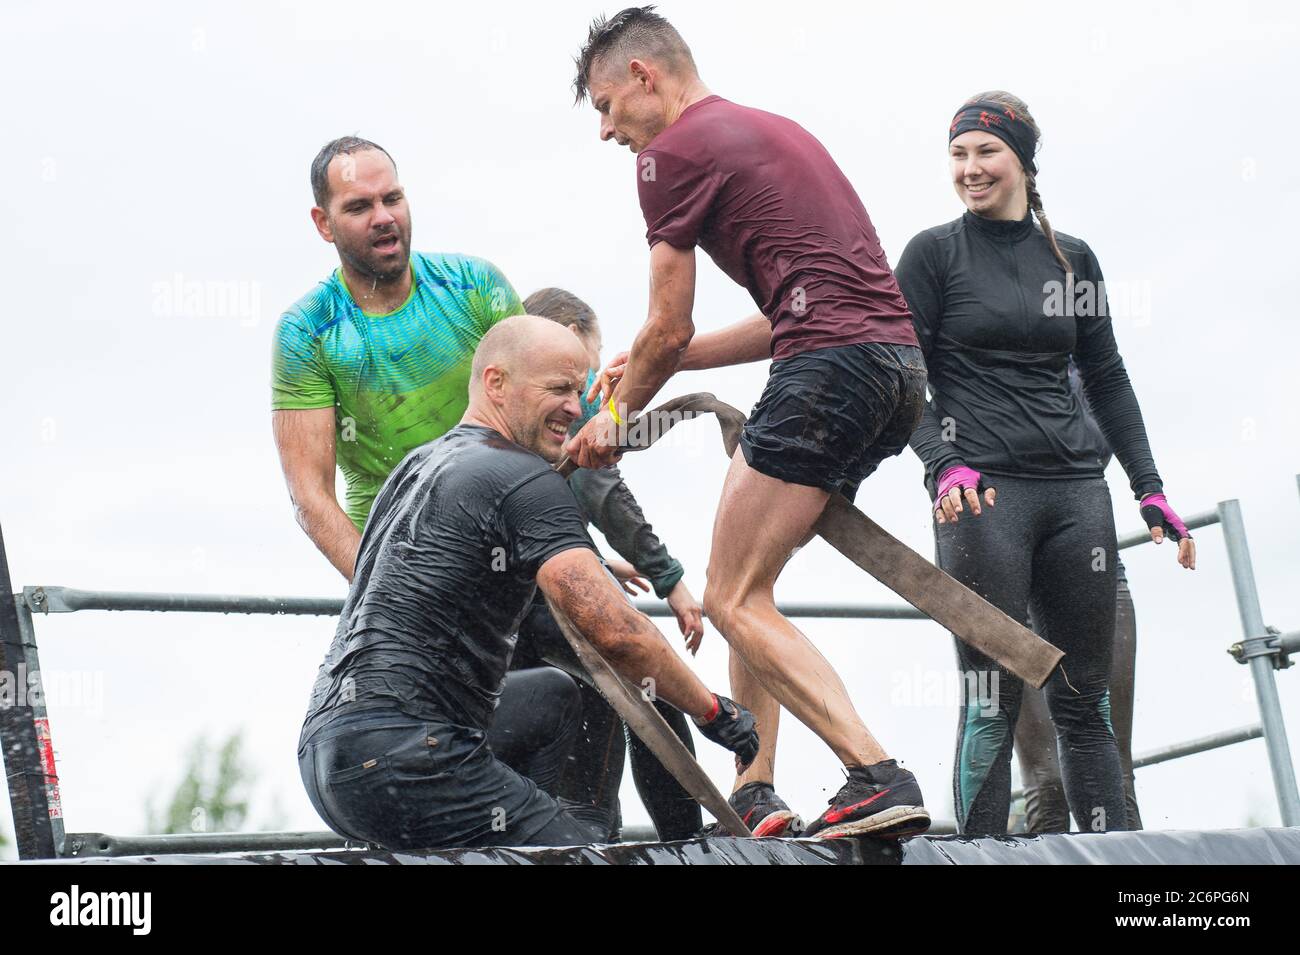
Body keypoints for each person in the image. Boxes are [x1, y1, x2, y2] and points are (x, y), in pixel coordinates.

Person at [565, 6, 930, 839]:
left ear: (643, 77)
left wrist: (615, 420)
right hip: (895, 370)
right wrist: (674, 363)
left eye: (604, 106)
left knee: (727, 595)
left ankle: (874, 773)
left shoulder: (669, 156)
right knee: (749, 583)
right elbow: (778, 315)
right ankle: (757, 786)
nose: (606, 131)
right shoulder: (773, 131)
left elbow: (667, 325)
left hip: (827, 368)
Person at [297, 315, 759, 850]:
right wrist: (711, 710)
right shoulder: (526, 480)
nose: (574, 407)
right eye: (559, 389)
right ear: (495, 382)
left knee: (557, 692)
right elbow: (618, 634)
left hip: (327, 757)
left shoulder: (415, 468)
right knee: (590, 836)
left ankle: (562, 836)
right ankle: (574, 847)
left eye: (582, 391)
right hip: (411, 760)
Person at [894, 91, 1195, 836]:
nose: (970, 168)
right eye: (958, 155)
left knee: (1085, 699)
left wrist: (1149, 487)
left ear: (1024, 161)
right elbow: (900, 376)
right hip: (983, 496)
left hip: (1076, 495)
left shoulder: (1073, 258)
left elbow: (1108, 377)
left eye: (986, 152)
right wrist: (942, 464)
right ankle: (981, 856)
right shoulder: (933, 254)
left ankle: (1110, 863)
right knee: (991, 697)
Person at [271, 136, 524, 580]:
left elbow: (552, 414)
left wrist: (572, 547)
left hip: (512, 537)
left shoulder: (476, 285)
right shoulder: (306, 331)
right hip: (401, 554)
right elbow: (311, 497)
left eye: (393, 199)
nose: (384, 217)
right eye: (358, 207)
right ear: (323, 223)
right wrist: (384, 591)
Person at [514, 286, 706, 840]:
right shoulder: (564, 393)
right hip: (550, 595)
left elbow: (547, 499)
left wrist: (595, 557)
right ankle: (681, 840)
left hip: (512, 597)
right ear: (568, 338)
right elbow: (600, 491)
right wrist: (669, 578)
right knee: (651, 690)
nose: (585, 395)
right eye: (588, 365)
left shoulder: (502, 399)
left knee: (575, 709)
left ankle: (593, 834)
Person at [1013, 362, 1143, 832]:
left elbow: (1100, 434)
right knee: (1046, 785)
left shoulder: (1080, 341)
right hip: (1005, 576)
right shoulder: (958, 333)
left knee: (1115, 773)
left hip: (1092, 570)